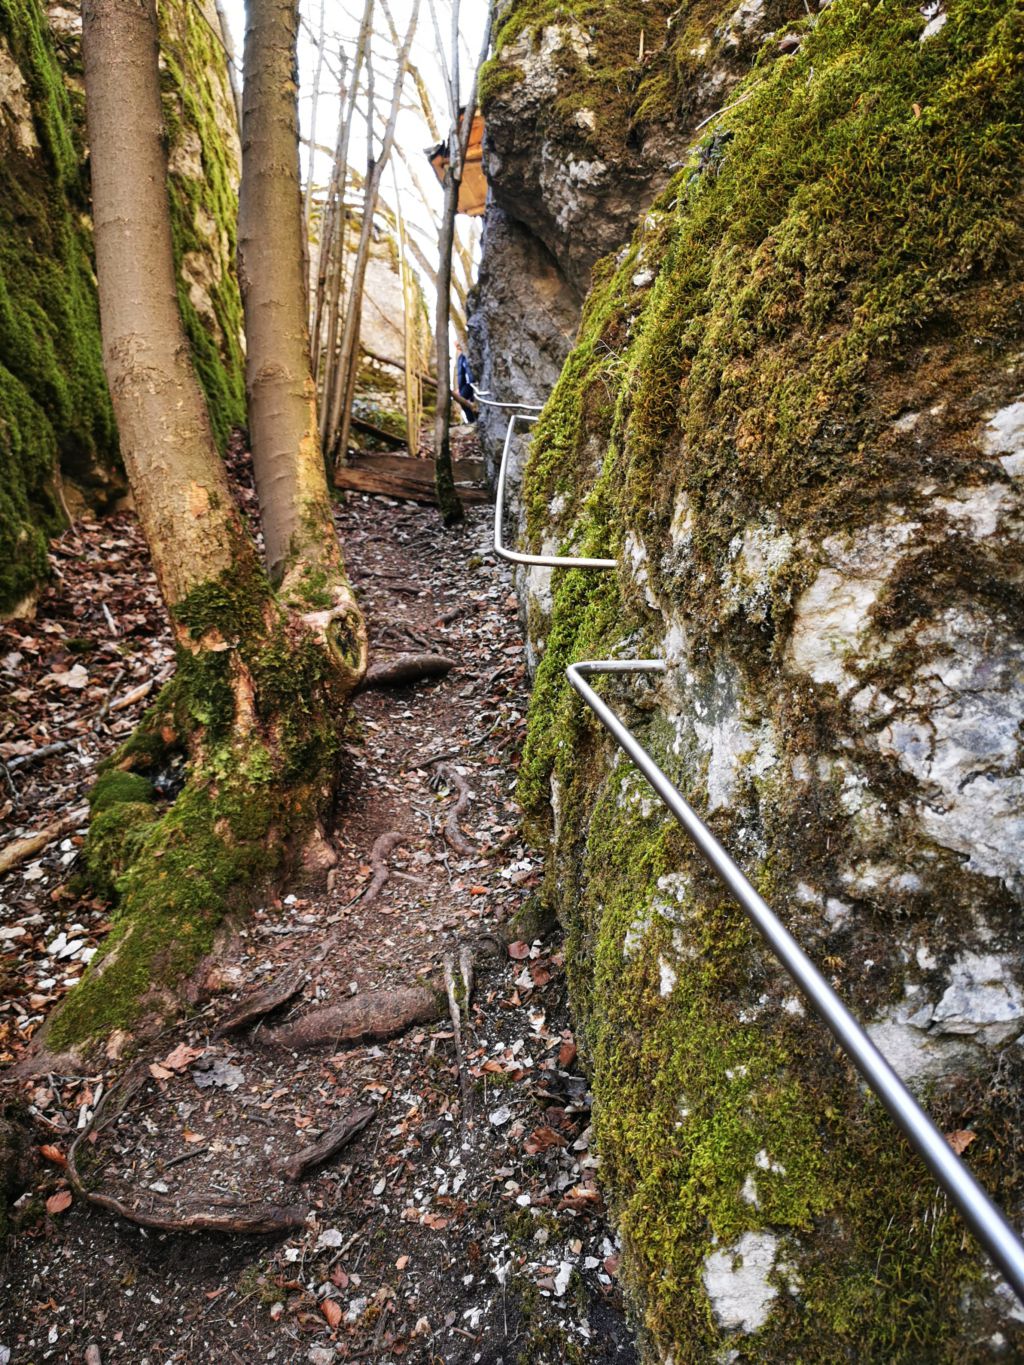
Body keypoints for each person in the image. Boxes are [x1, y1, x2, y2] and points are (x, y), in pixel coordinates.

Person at [454, 341, 478, 423]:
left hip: (474, 382)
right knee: (462, 399)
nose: (458, 347)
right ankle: (471, 420)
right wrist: (459, 388)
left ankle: (477, 419)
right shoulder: (461, 358)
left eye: (458, 345)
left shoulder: (470, 354)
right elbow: (461, 374)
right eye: (456, 346)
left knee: (476, 401)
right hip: (467, 384)